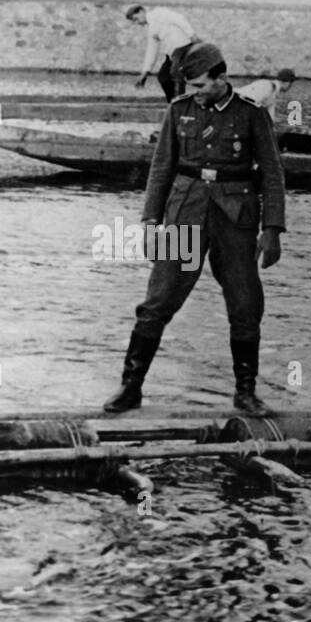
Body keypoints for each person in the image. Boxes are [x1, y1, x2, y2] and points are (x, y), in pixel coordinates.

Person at [104, 42, 287, 417]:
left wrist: (272, 229)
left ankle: (246, 392)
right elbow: (161, 169)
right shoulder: (178, 110)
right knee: (158, 301)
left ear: (221, 78)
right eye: (190, 86)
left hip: (235, 216)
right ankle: (131, 387)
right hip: (185, 211)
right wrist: (151, 222)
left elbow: (272, 174)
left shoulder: (251, 114)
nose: (194, 93)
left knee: (244, 303)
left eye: (201, 85)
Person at [127, 4, 200, 101]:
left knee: (175, 73)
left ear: (141, 11)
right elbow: (151, 51)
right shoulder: (151, 29)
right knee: (163, 77)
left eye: (136, 19)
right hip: (172, 54)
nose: (137, 23)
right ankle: (172, 104)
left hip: (183, 47)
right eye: (134, 21)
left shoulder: (159, 13)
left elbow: (179, 18)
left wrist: (192, 35)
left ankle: (180, 103)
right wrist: (145, 72)